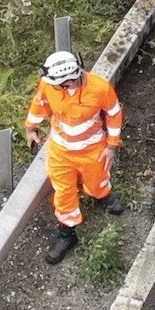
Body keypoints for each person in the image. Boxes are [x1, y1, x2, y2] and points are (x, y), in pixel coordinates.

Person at [24, 49, 124, 264]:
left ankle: (102, 195)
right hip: (61, 152)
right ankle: (67, 234)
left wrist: (111, 146)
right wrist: (30, 128)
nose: (55, 88)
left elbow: (114, 114)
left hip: (93, 150)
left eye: (60, 85)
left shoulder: (99, 88)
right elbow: (39, 103)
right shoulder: (48, 85)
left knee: (98, 180)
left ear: (70, 80)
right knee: (63, 192)